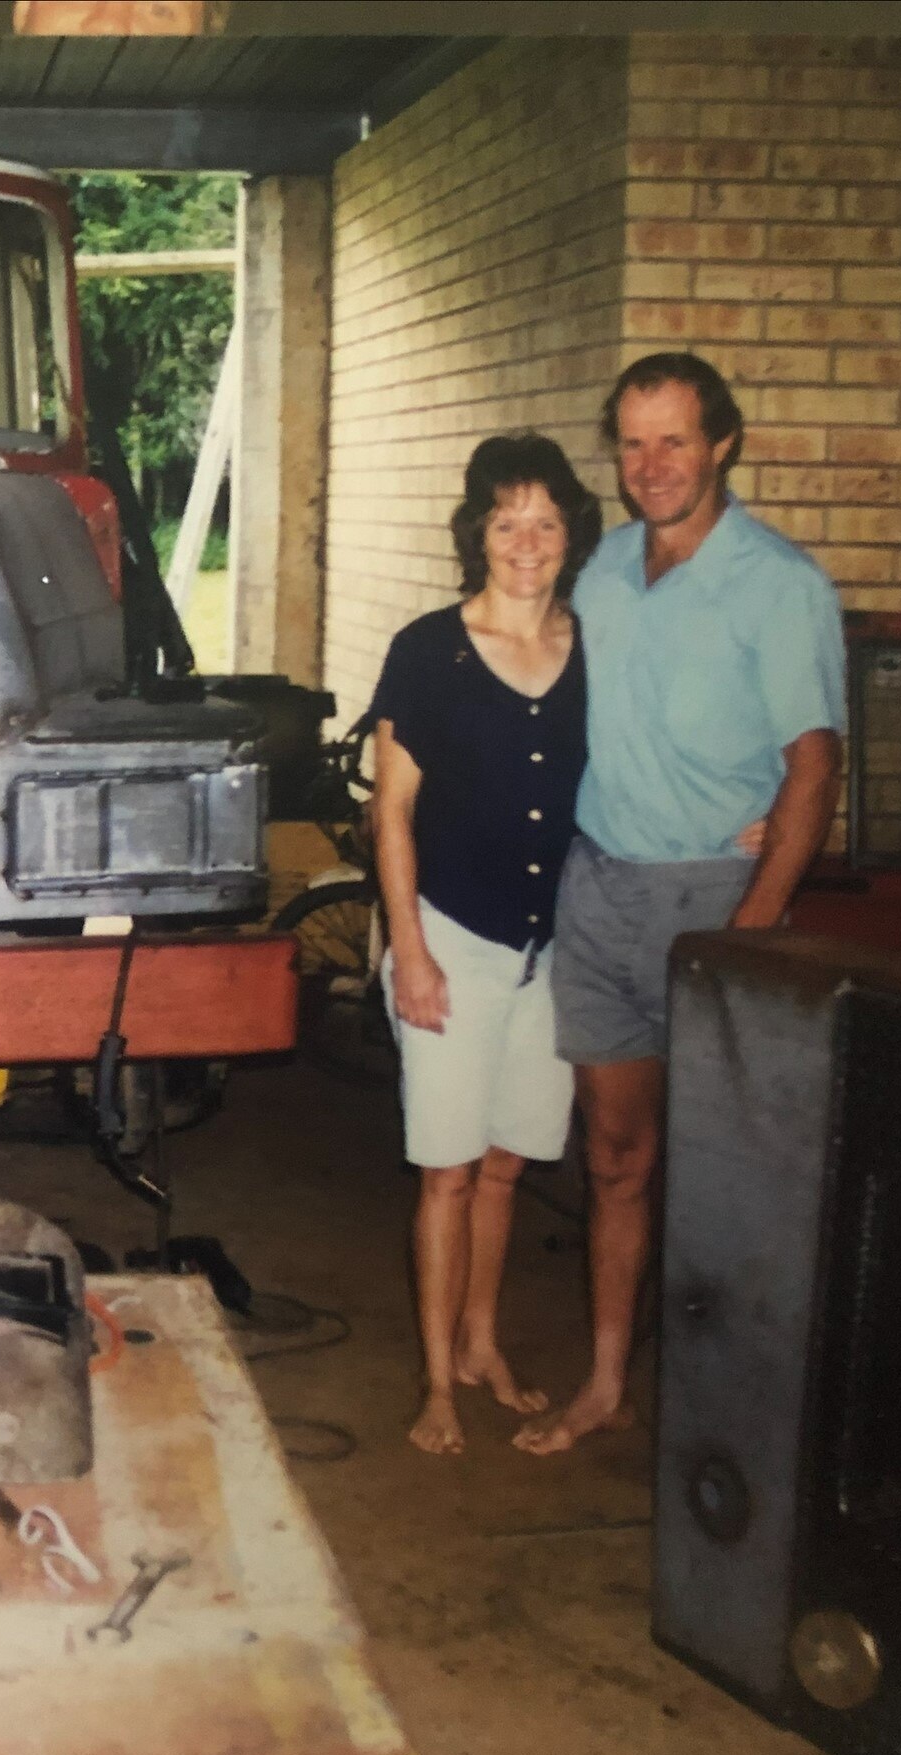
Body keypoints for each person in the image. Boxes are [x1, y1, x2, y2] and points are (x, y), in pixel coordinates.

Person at [515, 352, 845, 1455]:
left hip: (715, 900)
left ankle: (740, 1414)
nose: (651, 464)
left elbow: (811, 763)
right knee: (614, 1157)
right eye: (633, 441)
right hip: (597, 888)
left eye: (674, 440)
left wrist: (752, 923)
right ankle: (607, 1379)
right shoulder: (601, 567)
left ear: (722, 445)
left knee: (729, 1172)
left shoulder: (778, 582)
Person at [368, 434, 603, 1455]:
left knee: (504, 1166)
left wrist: (746, 820)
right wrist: (408, 952)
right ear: (476, 533)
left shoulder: (591, 646)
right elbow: (390, 817)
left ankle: (479, 1344)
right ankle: (435, 1386)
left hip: (548, 952)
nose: (525, 540)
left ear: (568, 537)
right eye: (505, 520)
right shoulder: (428, 650)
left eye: (544, 522)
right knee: (448, 1172)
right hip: (450, 942)